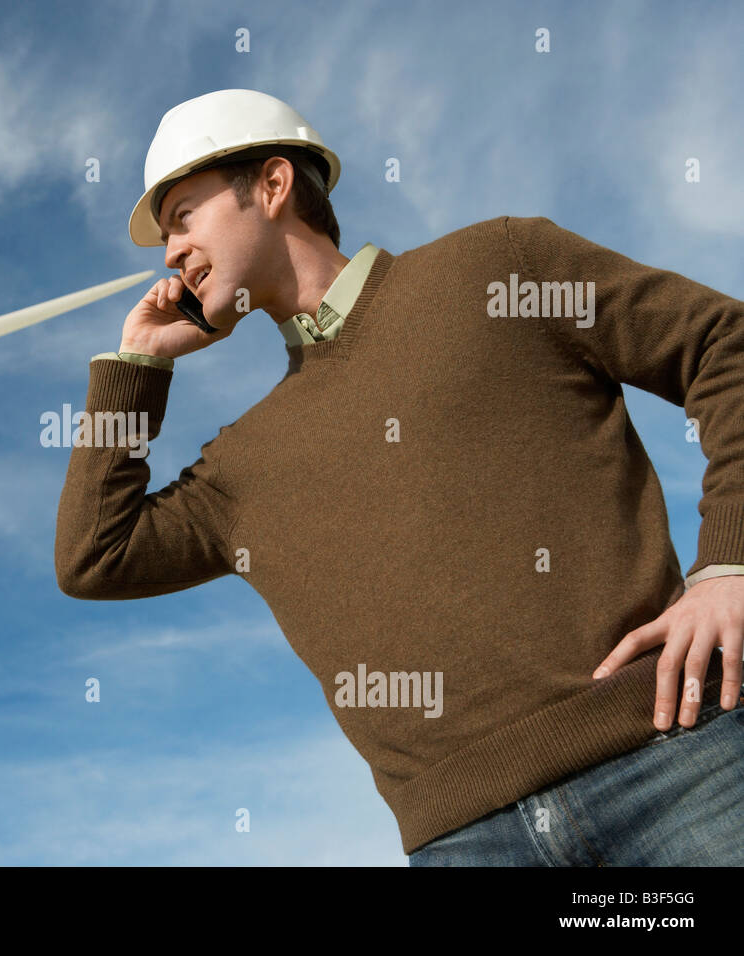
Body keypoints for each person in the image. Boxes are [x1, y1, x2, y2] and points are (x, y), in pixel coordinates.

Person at [53, 89, 744, 865]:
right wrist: (135, 365)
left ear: (274, 185)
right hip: (465, 842)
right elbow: (92, 555)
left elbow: (726, 347)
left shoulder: (500, 266)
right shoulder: (238, 468)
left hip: (679, 760)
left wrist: (728, 563)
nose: (171, 253)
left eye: (183, 216)